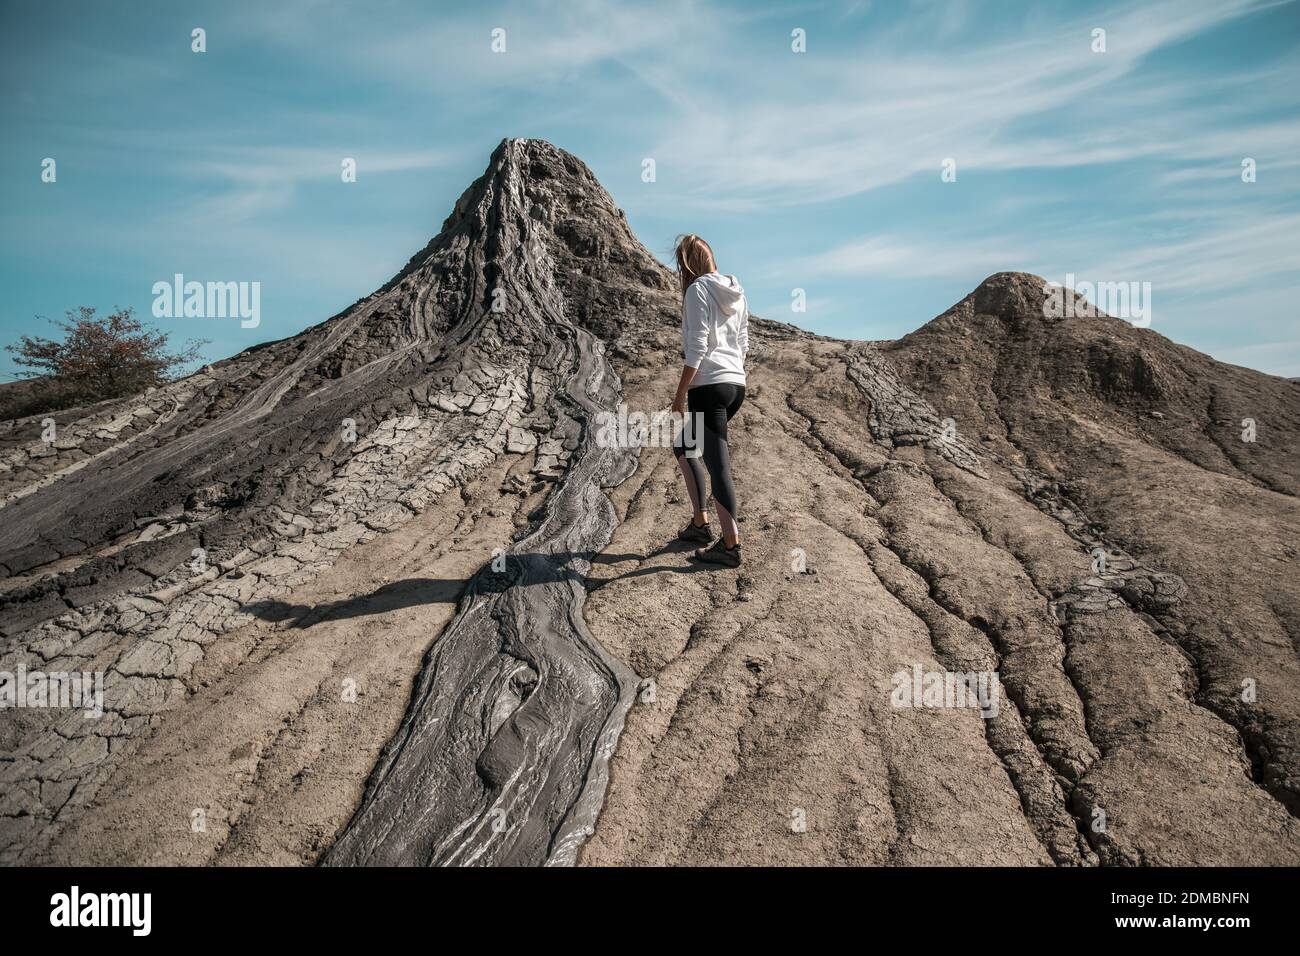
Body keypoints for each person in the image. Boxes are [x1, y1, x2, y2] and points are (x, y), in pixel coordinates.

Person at [670, 234, 748, 568]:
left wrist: (681, 392)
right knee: (684, 446)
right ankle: (701, 523)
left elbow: (698, 346)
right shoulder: (737, 292)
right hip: (735, 385)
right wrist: (731, 372)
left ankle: (730, 547)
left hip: (709, 387)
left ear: (687, 263)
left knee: (718, 466)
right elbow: (743, 341)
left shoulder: (697, 289)